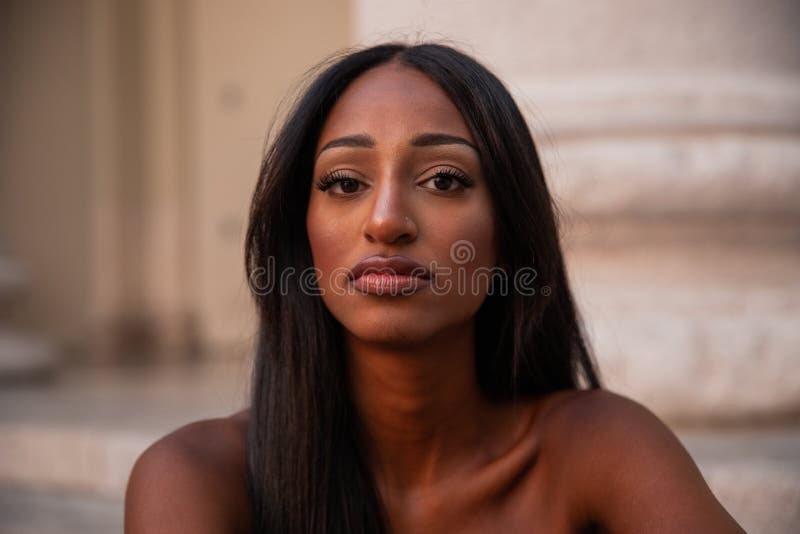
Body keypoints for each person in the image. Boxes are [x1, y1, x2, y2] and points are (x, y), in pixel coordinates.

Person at [124, 42, 745, 533]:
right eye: (344, 182)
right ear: (300, 235)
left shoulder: (603, 449)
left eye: (444, 180)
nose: (387, 220)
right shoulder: (196, 478)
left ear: (508, 234)